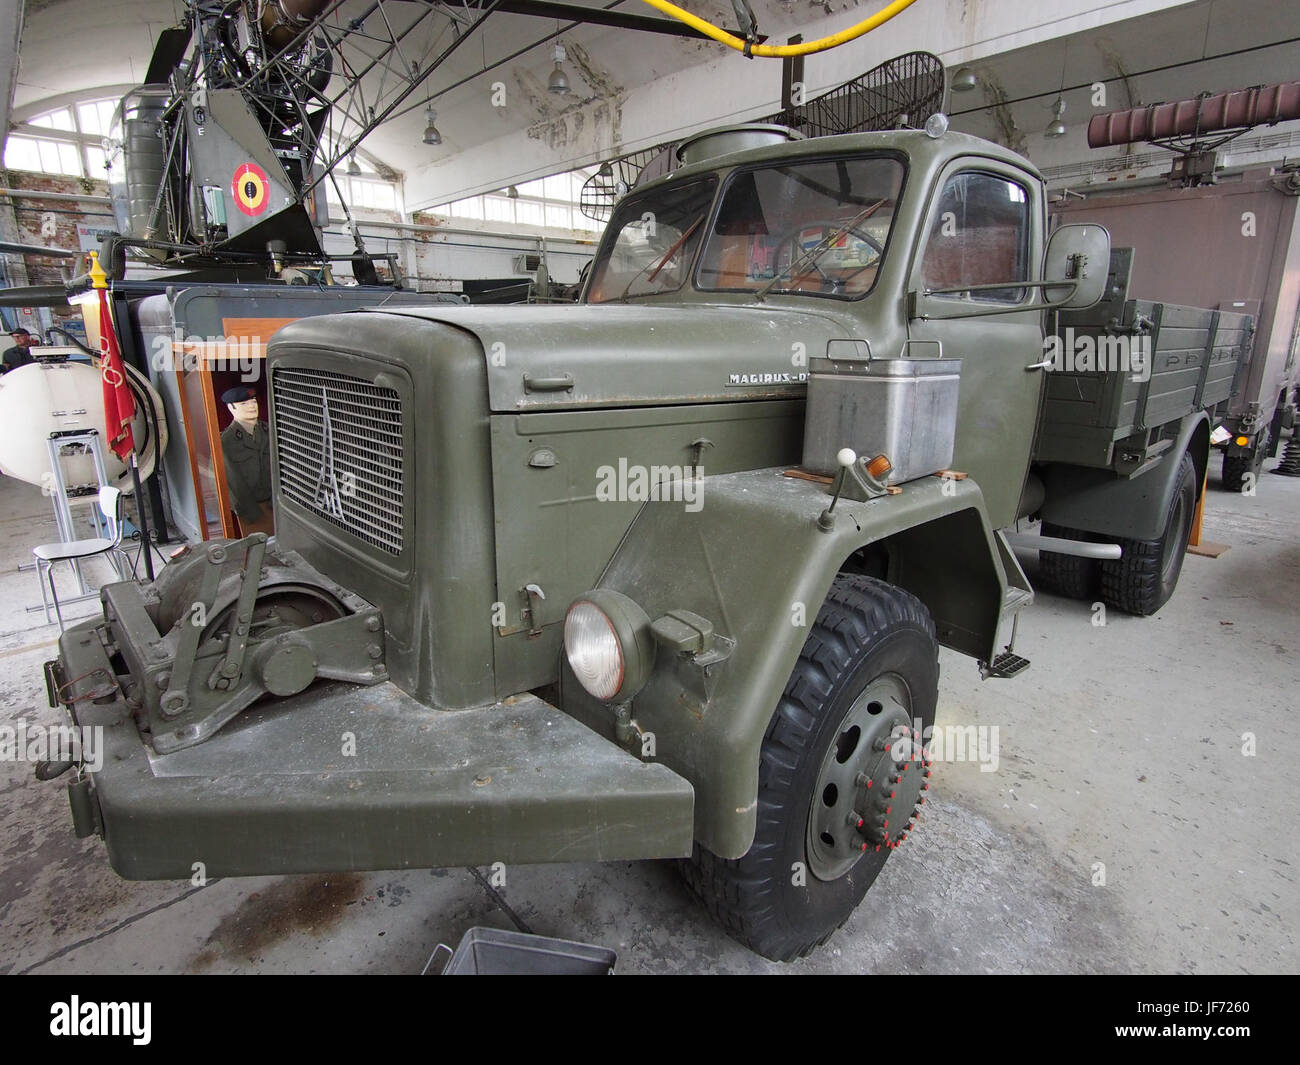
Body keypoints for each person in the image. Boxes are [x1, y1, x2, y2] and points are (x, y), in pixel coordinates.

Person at [219, 385, 274, 536]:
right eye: (243, 404)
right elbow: (232, 482)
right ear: (231, 408)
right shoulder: (226, 441)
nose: (251, 406)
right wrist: (250, 513)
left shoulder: (272, 432)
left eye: (253, 401)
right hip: (252, 511)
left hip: (277, 504)